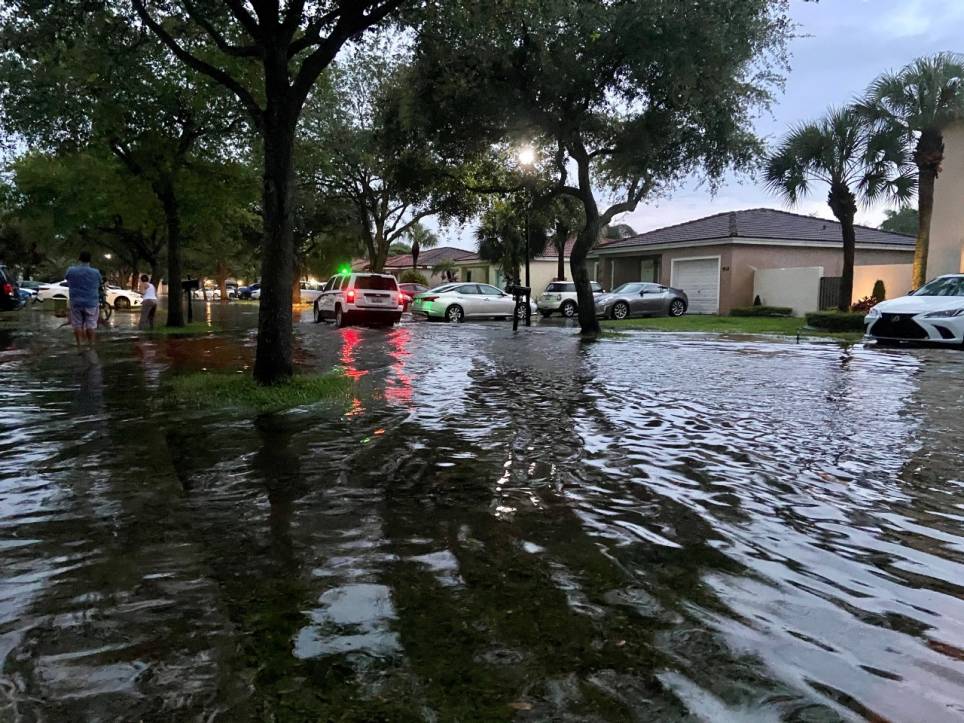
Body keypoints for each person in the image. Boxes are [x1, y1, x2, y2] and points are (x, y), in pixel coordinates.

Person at [65, 251, 103, 349]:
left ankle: (79, 345)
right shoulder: (96, 272)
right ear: (90, 260)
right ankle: (91, 346)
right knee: (91, 324)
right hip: (91, 302)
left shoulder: (71, 270)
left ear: (79, 259)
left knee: (77, 324)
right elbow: (100, 283)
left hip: (75, 302)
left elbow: (67, 279)